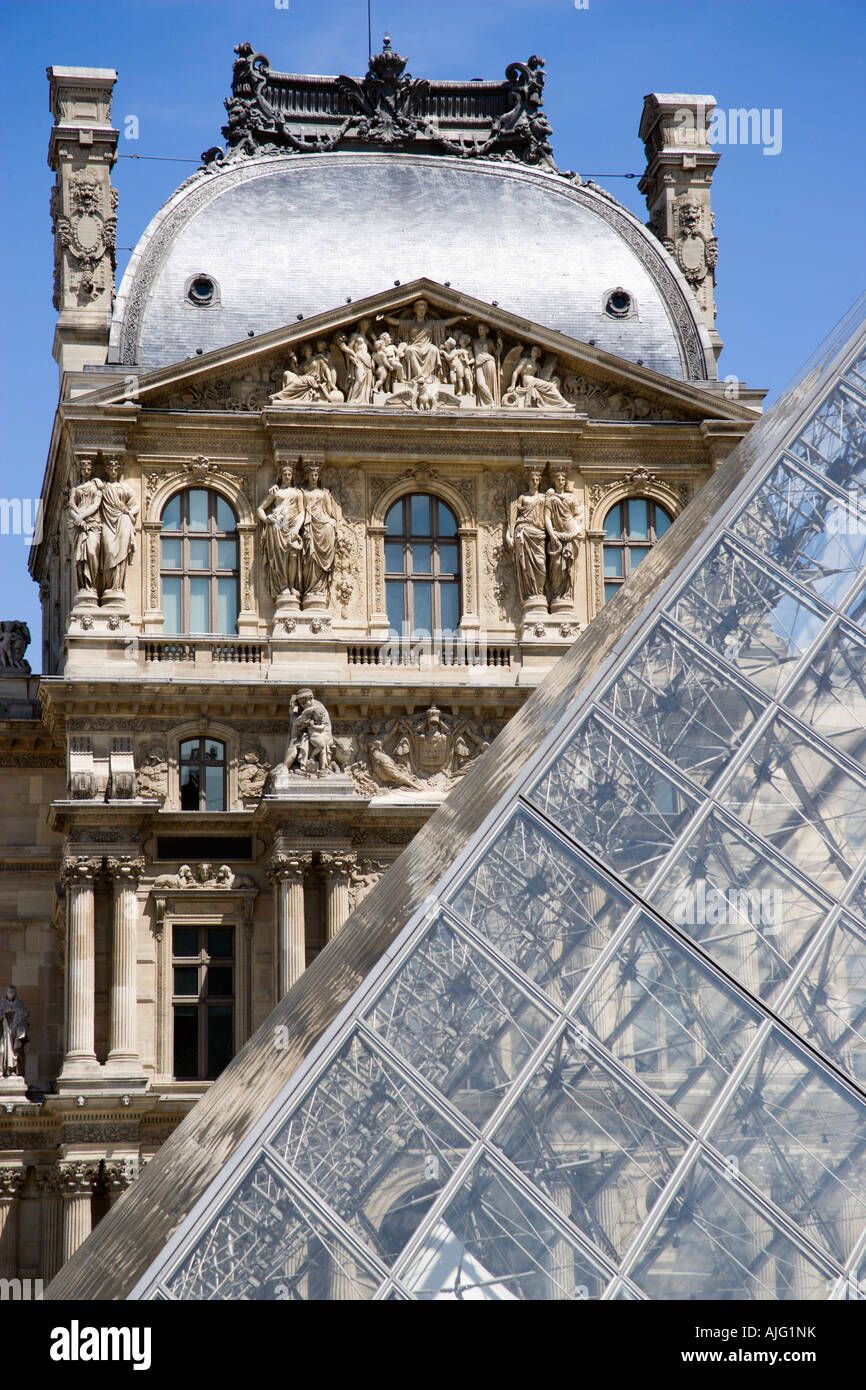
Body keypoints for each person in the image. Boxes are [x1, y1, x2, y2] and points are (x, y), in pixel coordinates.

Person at [0, 986, 29, 1079]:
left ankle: (12, 1070)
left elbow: (25, 1014)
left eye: (12, 992)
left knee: (14, 1051)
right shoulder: (2, 1003)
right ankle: (2, 1069)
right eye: (9, 992)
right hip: (5, 1032)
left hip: (14, 1031)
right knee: (2, 1050)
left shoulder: (19, 1004)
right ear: (6, 993)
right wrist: (4, 1013)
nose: (11, 994)